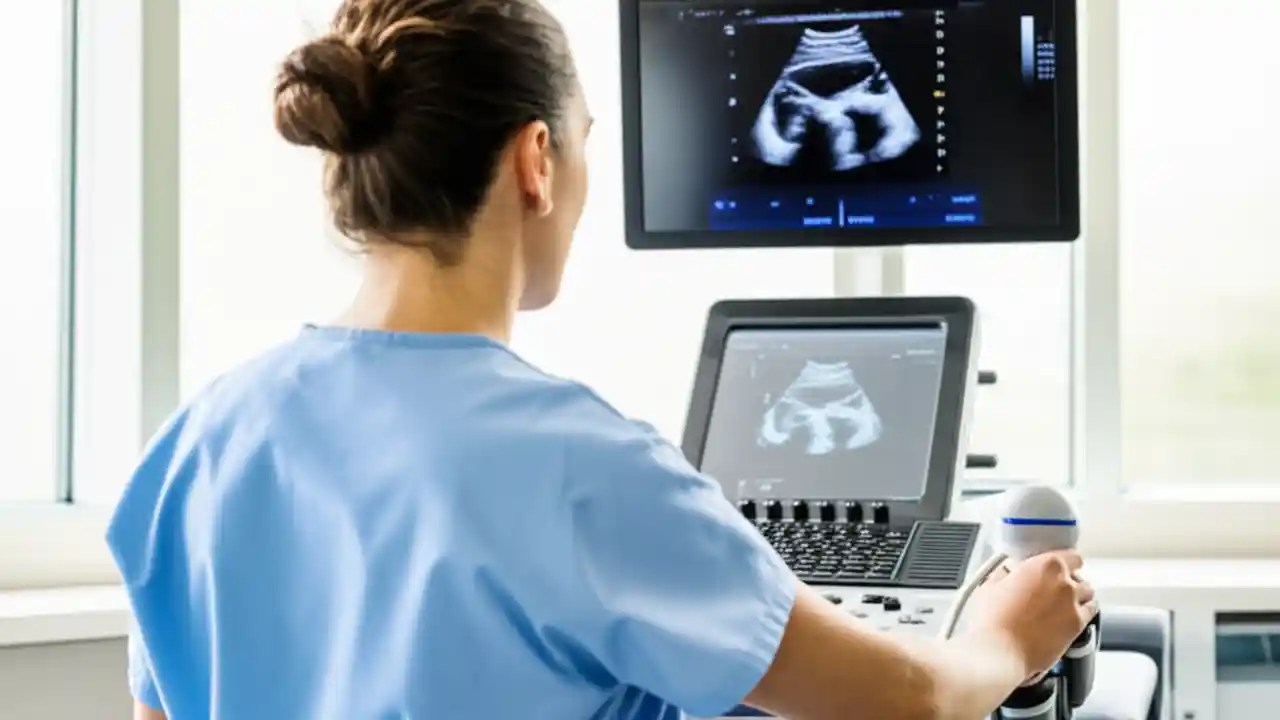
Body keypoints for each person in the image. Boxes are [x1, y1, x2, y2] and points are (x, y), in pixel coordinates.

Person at [108, 1, 1098, 718]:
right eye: (583, 146)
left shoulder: (197, 440)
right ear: (536, 161)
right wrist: (1010, 635)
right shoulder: (582, 466)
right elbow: (908, 701)